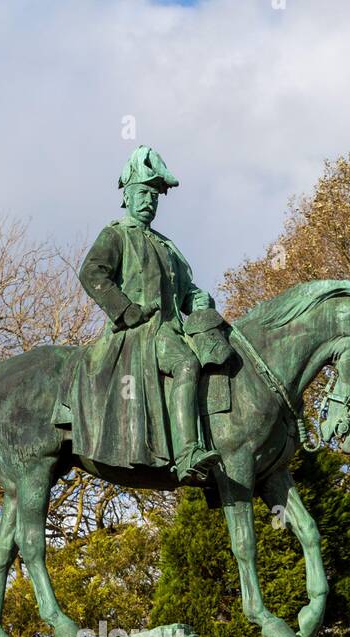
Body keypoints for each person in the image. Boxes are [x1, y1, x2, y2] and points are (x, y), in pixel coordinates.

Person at [65, 145, 233, 484]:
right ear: (127, 196)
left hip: (173, 329)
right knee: (186, 364)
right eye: (143, 193)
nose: (149, 201)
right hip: (142, 334)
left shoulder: (167, 246)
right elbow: (92, 273)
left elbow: (185, 292)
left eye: (155, 196)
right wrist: (127, 311)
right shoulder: (116, 234)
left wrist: (199, 300)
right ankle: (188, 453)